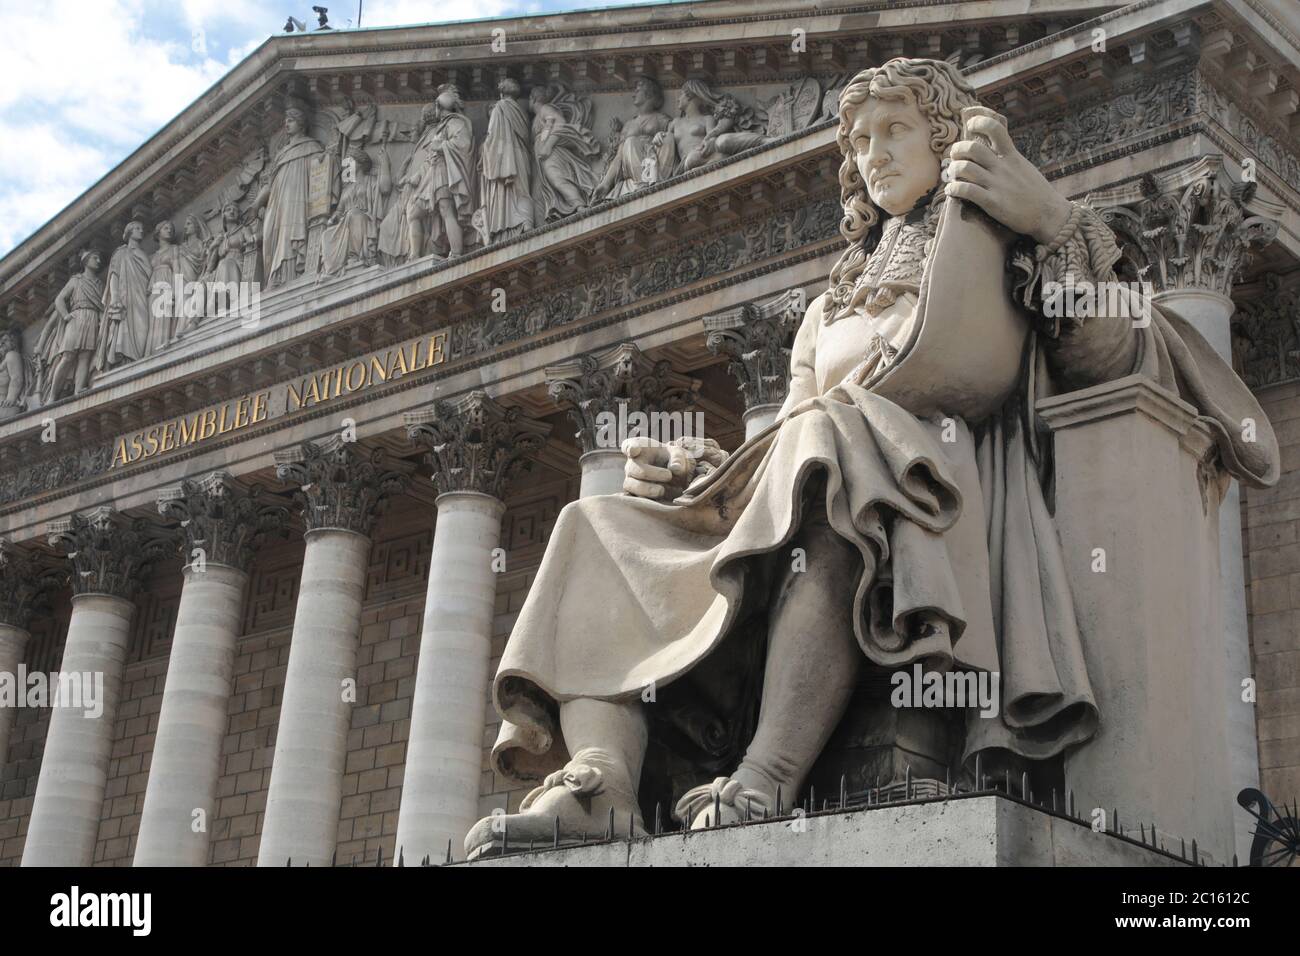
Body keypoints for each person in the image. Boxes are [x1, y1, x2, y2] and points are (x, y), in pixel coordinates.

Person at [464, 58, 1279, 857]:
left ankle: (769, 772)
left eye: (896, 130)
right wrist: (702, 474)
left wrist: (1053, 222)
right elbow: (780, 435)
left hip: (943, 500)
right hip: (826, 476)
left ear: (949, 140)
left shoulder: (1003, 246)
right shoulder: (828, 306)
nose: (873, 153)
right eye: (858, 141)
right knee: (597, 520)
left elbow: (1108, 359)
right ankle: (601, 782)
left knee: (830, 442)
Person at [379, 85, 475, 261]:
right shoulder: (442, 127)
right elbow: (428, 160)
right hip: (431, 174)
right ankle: (414, 255)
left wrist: (441, 146)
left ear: (438, 107)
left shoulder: (455, 122)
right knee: (413, 213)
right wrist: (414, 177)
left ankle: (456, 253)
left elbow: (463, 144)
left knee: (447, 210)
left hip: (445, 175)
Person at [256, 105, 337, 286]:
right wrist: (256, 204)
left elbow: (321, 173)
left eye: (290, 121)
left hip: (297, 199)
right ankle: (274, 276)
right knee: (272, 236)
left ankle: (288, 276)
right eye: (285, 121)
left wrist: (328, 159)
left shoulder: (312, 147)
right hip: (277, 205)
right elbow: (270, 185)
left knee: (291, 233)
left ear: (301, 124)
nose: (286, 125)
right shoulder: (280, 155)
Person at [591, 76, 671, 202]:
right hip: (632, 164)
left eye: (637, 90)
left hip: (655, 162)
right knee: (630, 142)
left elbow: (672, 139)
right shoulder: (629, 125)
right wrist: (606, 183)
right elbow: (619, 157)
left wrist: (663, 135)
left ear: (649, 94)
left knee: (666, 138)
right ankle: (642, 184)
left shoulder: (661, 119)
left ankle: (651, 183)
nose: (633, 95)